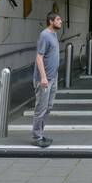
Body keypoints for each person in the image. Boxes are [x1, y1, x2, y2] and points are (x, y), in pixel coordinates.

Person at [31, 12, 62, 148]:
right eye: (58, 19)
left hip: (53, 77)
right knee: (41, 109)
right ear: (51, 21)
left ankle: (41, 134)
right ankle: (36, 137)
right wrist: (43, 77)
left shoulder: (54, 35)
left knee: (48, 107)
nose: (61, 21)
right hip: (44, 79)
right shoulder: (44, 35)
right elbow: (39, 57)